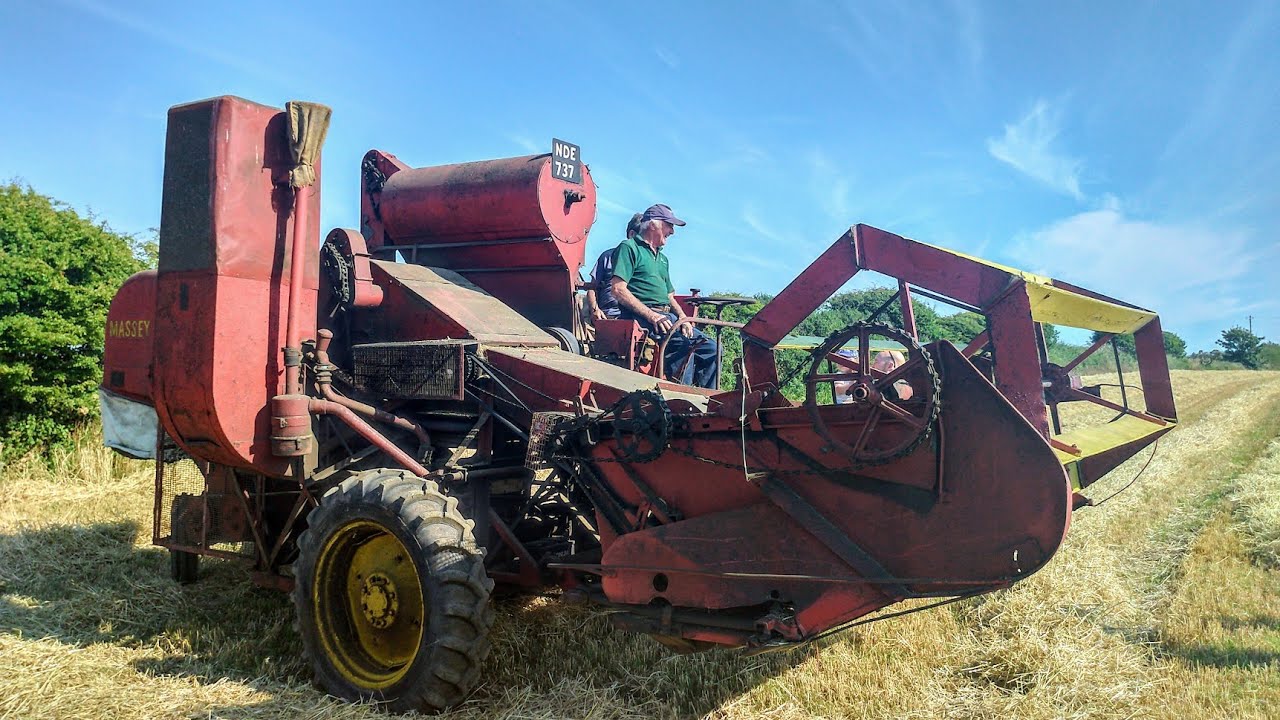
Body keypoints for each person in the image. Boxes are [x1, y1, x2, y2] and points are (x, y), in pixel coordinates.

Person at [610, 204, 719, 388]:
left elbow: (669, 296)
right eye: (669, 225)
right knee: (684, 346)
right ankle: (681, 400)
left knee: (712, 348)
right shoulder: (629, 248)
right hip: (642, 318)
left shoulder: (663, 259)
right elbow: (618, 289)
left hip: (667, 317)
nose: (672, 231)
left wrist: (683, 318)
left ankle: (709, 403)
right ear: (654, 225)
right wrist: (652, 316)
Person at [585, 213, 641, 321]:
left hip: (638, 316)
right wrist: (595, 310)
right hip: (610, 315)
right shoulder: (608, 256)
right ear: (632, 234)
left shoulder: (649, 262)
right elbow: (592, 287)